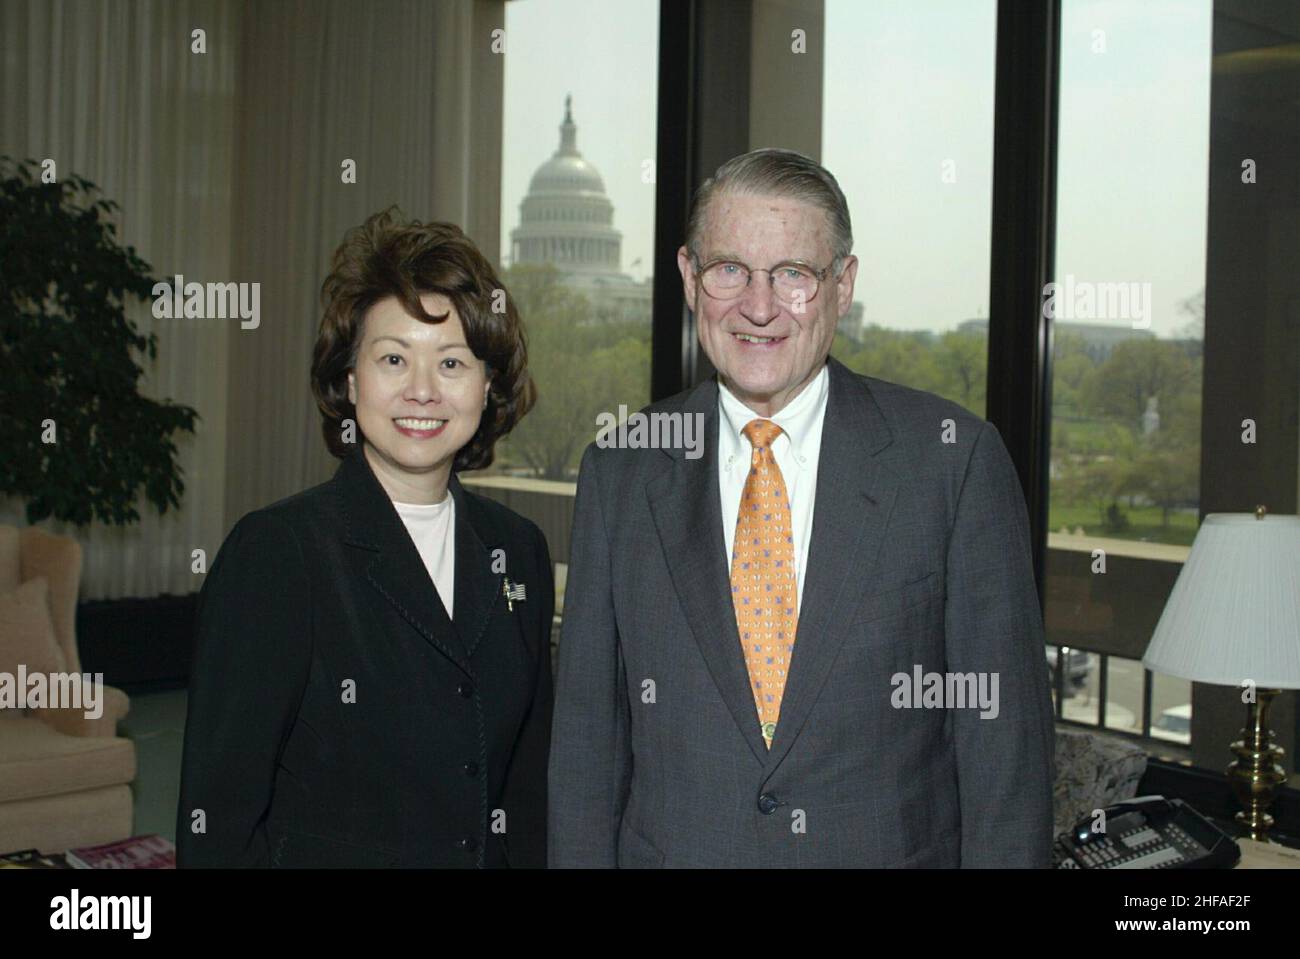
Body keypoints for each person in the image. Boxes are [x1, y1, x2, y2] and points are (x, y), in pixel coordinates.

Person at [549, 148, 1054, 868]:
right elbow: (585, 751)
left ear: (842, 285)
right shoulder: (620, 471)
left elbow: (1005, 761)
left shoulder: (953, 463)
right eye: (730, 270)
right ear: (690, 278)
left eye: (794, 274)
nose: (759, 306)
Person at [177, 208, 553, 868]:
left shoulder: (517, 549)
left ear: (487, 385)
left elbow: (523, 791)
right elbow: (219, 821)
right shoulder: (278, 553)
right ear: (349, 380)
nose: (422, 390)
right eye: (392, 358)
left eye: (452, 362)